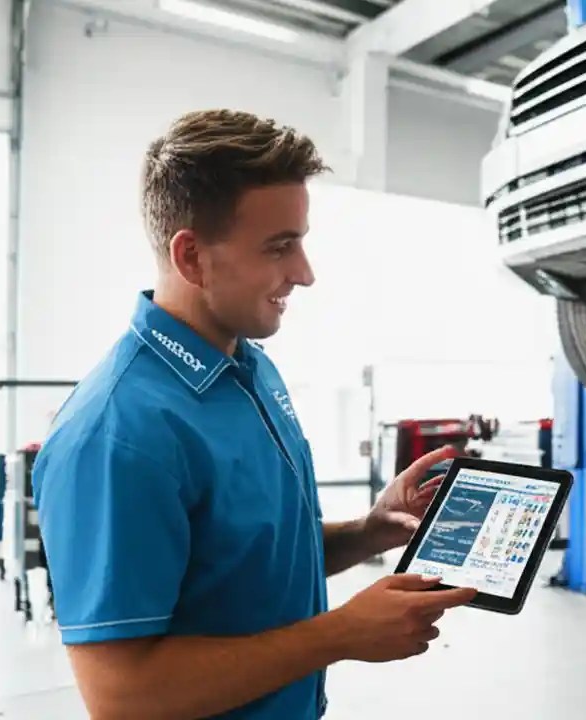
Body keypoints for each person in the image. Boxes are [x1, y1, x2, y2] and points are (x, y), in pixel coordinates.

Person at [31, 109, 477, 720]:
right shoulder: (117, 435)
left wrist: (367, 532)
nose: (305, 273)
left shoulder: (250, 370)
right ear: (191, 258)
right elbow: (122, 696)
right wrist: (339, 634)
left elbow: (244, 560)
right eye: (279, 247)